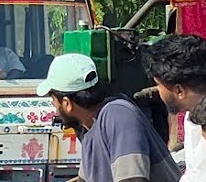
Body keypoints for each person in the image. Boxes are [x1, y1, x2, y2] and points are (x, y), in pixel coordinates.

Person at [39, 53, 179, 182]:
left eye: (53, 99)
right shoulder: (89, 131)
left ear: (67, 104)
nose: (53, 105)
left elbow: (132, 179)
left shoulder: (118, 115)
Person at [140, 35, 206, 182]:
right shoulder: (192, 115)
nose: (158, 91)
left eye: (159, 85)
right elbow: (195, 174)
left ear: (179, 91)